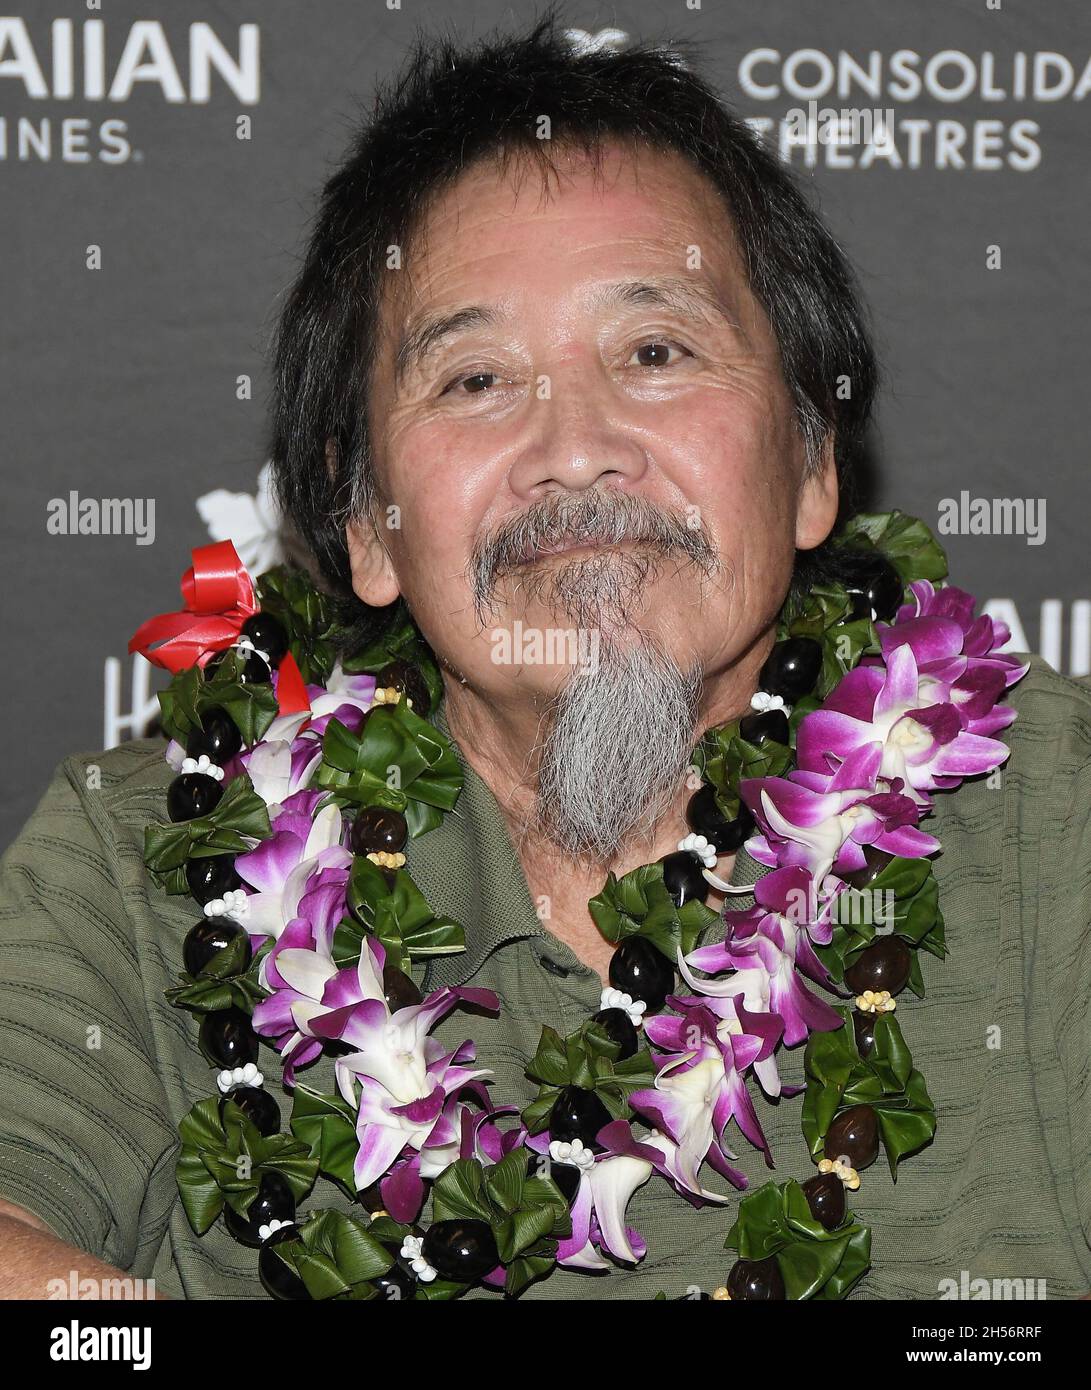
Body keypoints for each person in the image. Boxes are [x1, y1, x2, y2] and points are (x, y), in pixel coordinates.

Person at [1, 18, 1088, 1301]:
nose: (574, 447)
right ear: (365, 528)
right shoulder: (148, 869)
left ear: (807, 463)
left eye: (654, 352)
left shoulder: (1052, 817)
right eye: (472, 378)